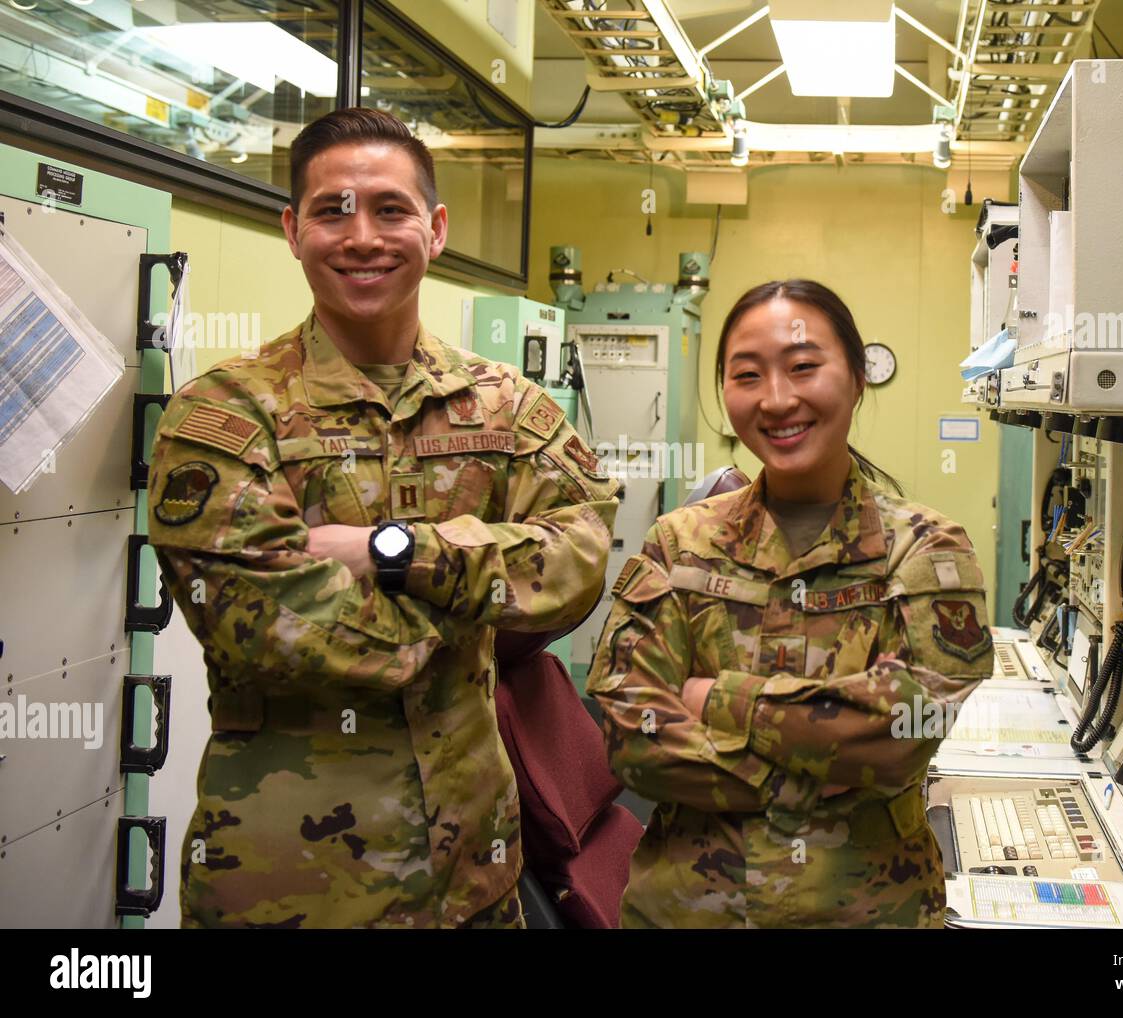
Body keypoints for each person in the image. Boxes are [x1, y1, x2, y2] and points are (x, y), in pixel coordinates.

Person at [147, 108, 619, 928]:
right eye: (332, 210)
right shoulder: (223, 413)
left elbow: (579, 560)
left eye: (391, 210)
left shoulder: (504, 405)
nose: (362, 235)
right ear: (292, 231)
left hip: (476, 883)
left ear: (434, 229)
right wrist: (478, 602)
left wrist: (395, 553)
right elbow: (265, 626)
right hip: (293, 891)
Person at [586, 279, 994, 928]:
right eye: (747, 375)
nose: (777, 400)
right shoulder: (680, 541)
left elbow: (902, 735)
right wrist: (813, 778)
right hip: (688, 911)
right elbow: (628, 733)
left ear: (859, 378)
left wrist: (711, 698)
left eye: (804, 368)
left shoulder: (924, 548)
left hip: (864, 911)